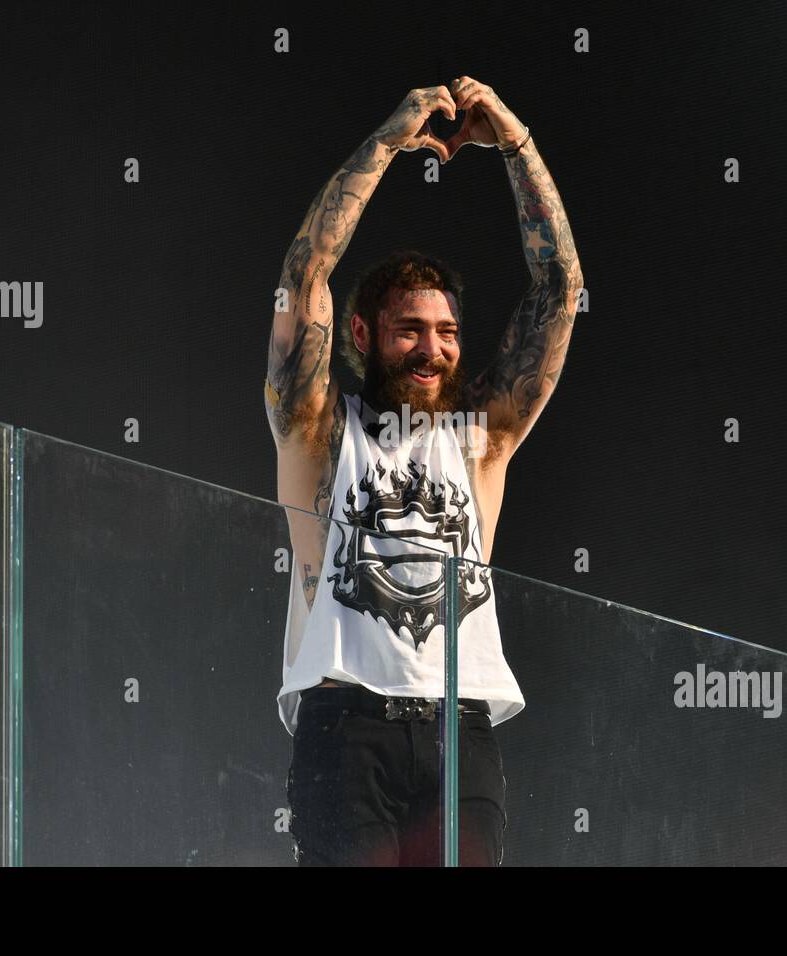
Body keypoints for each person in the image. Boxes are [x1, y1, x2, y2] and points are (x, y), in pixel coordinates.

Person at [264, 77, 582, 866]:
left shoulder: (481, 438)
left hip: (460, 729)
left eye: (445, 331)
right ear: (365, 334)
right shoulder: (320, 430)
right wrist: (384, 145)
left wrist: (516, 142)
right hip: (347, 728)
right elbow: (304, 279)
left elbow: (559, 290)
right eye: (409, 329)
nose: (433, 348)